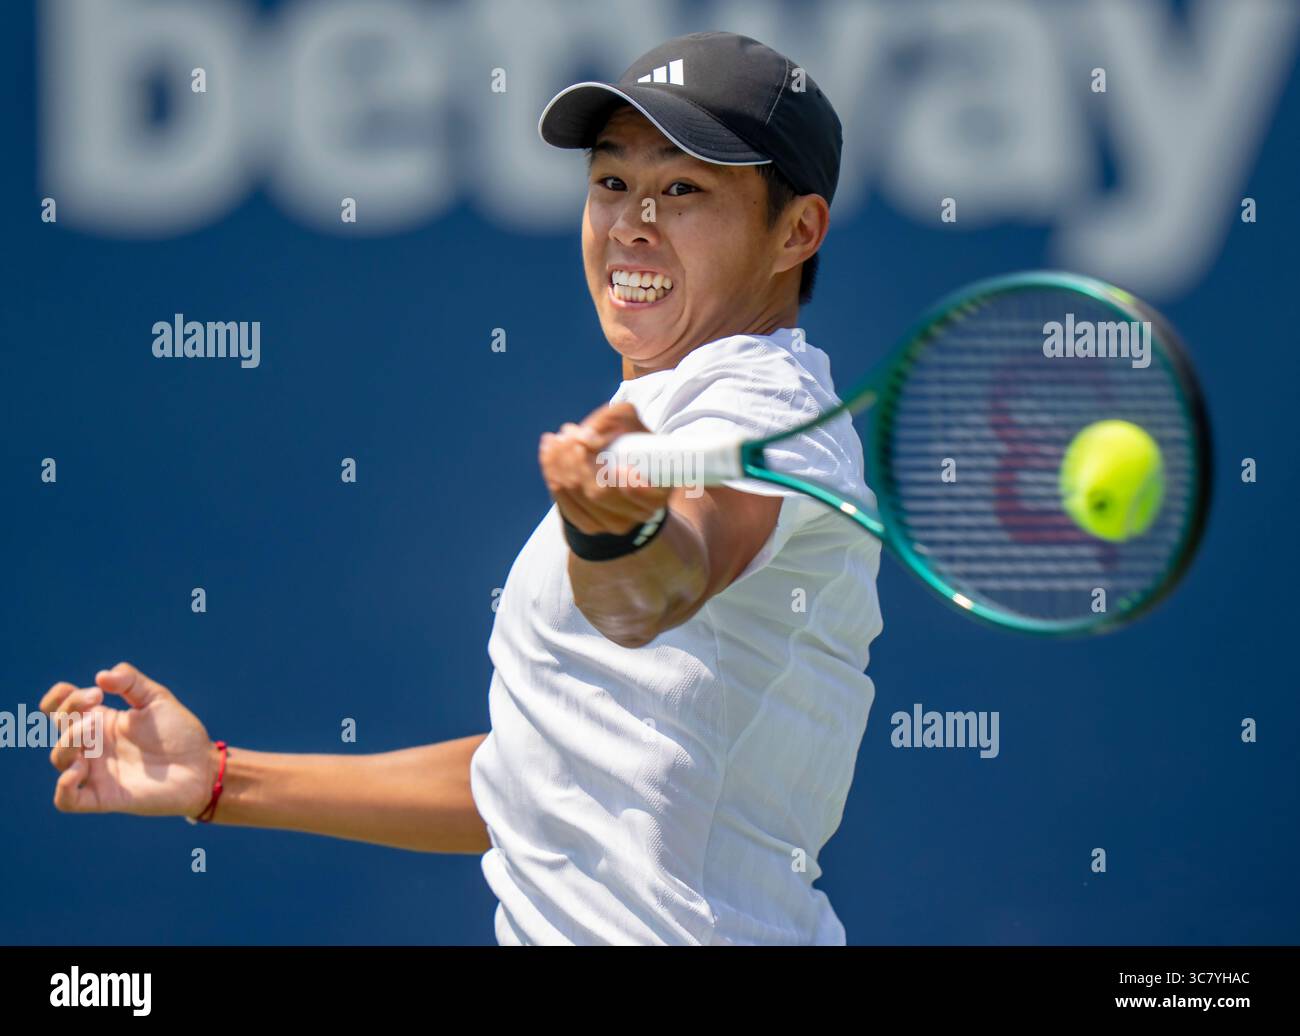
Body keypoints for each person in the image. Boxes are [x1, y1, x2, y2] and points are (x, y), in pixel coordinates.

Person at [41, 31, 883, 946]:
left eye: (684, 189)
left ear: (796, 231)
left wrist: (616, 537)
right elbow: (534, 780)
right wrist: (218, 781)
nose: (633, 221)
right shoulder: (676, 399)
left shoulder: (767, 409)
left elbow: (673, 574)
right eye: (611, 183)